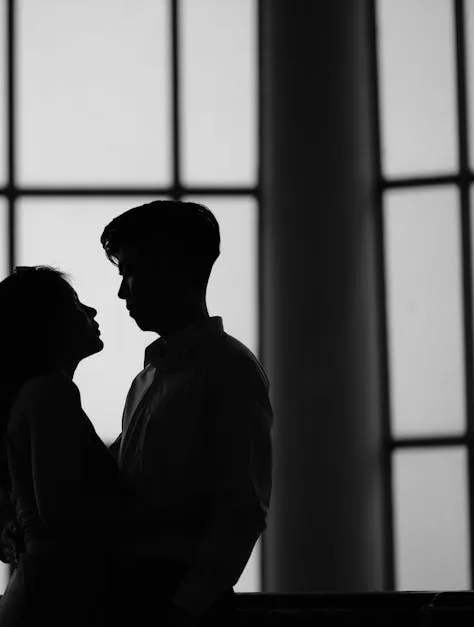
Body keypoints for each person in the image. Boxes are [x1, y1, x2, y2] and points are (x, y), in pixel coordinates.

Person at [101, 200, 274, 626]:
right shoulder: (147, 381)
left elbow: (242, 509)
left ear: (170, 268)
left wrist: (184, 609)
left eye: (130, 272)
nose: (122, 291)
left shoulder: (228, 369)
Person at [0, 266, 129, 627]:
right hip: (54, 602)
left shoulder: (29, 398)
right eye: (77, 306)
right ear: (48, 325)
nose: (92, 312)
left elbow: (10, 519)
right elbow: (62, 515)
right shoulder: (51, 392)